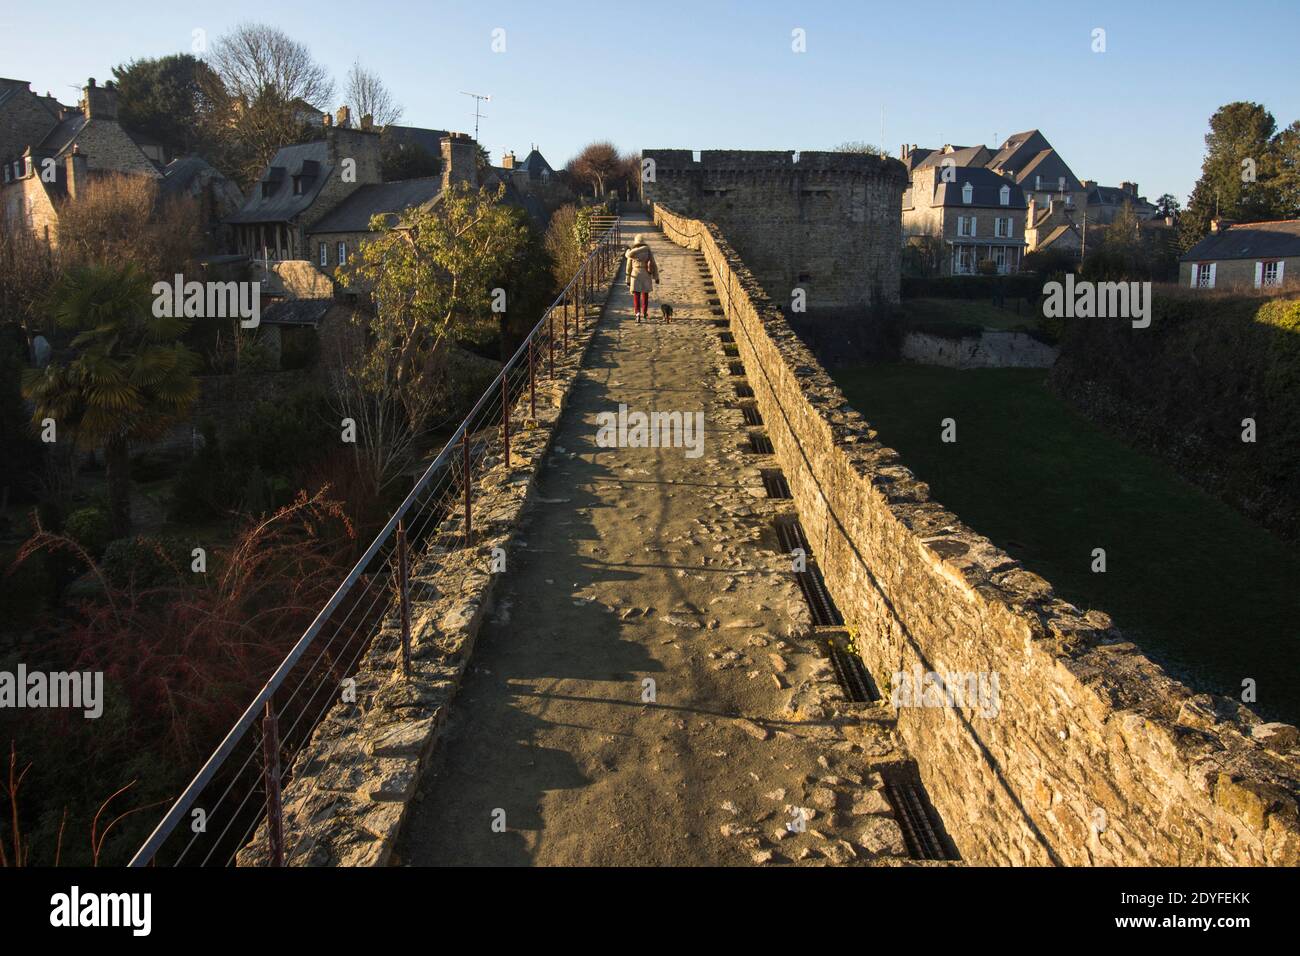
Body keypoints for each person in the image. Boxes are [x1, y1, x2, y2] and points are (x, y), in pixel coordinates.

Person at [624, 234, 659, 322]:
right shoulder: (647, 250)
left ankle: (637, 313)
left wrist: (627, 279)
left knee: (636, 295)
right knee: (645, 294)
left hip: (635, 274)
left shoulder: (632, 252)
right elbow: (653, 264)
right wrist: (656, 277)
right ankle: (645, 312)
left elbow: (628, 267)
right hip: (646, 274)